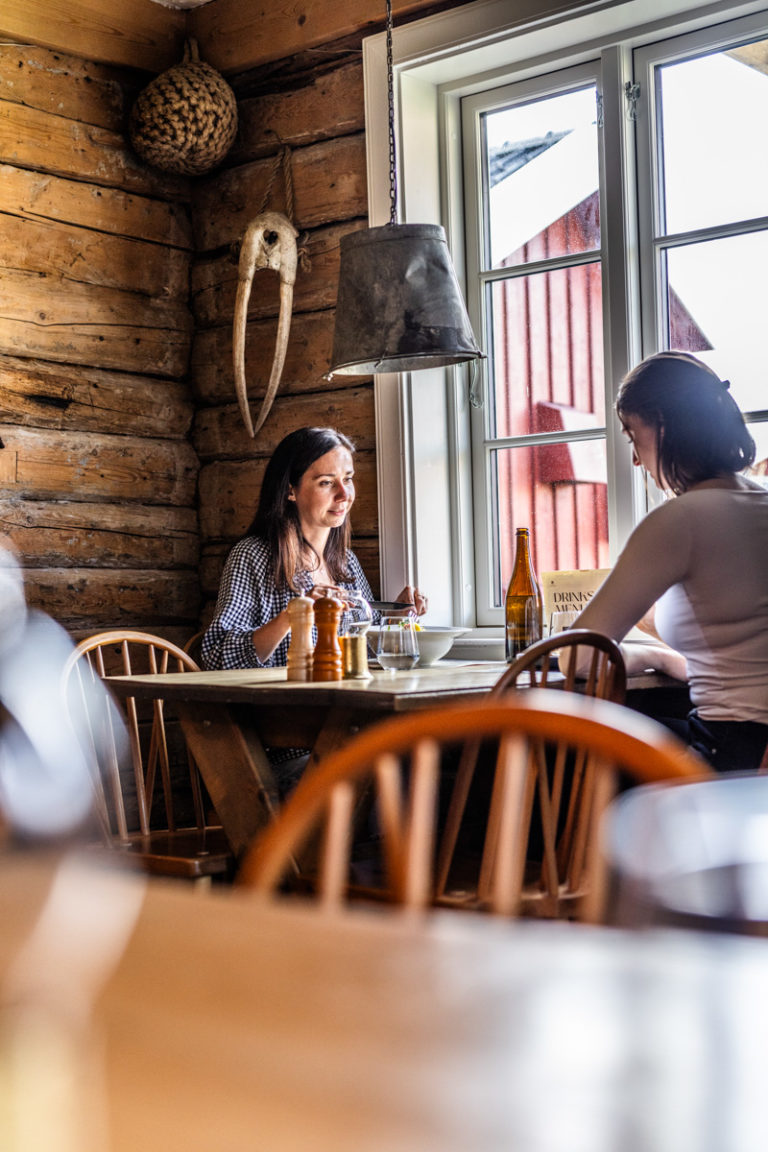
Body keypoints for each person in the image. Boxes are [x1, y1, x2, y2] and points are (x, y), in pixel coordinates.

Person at [570, 351, 768, 772]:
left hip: (730, 755)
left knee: (565, 754)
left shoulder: (679, 520)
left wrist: (639, 654)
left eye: (632, 437)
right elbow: (742, 652)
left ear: (662, 427)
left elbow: (578, 657)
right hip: (751, 750)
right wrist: (658, 658)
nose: (637, 461)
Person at [202, 426, 427, 790]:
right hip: (284, 751)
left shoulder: (346, 563)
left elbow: (362, 647)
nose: (344, 494)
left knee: (436, 763)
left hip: (344, 731)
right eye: (326, 482)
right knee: (393, 777)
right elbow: (214, 655)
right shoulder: (254, 557)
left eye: (348, 479)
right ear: (289, 490)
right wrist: (293, 616)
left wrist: (396, 617)